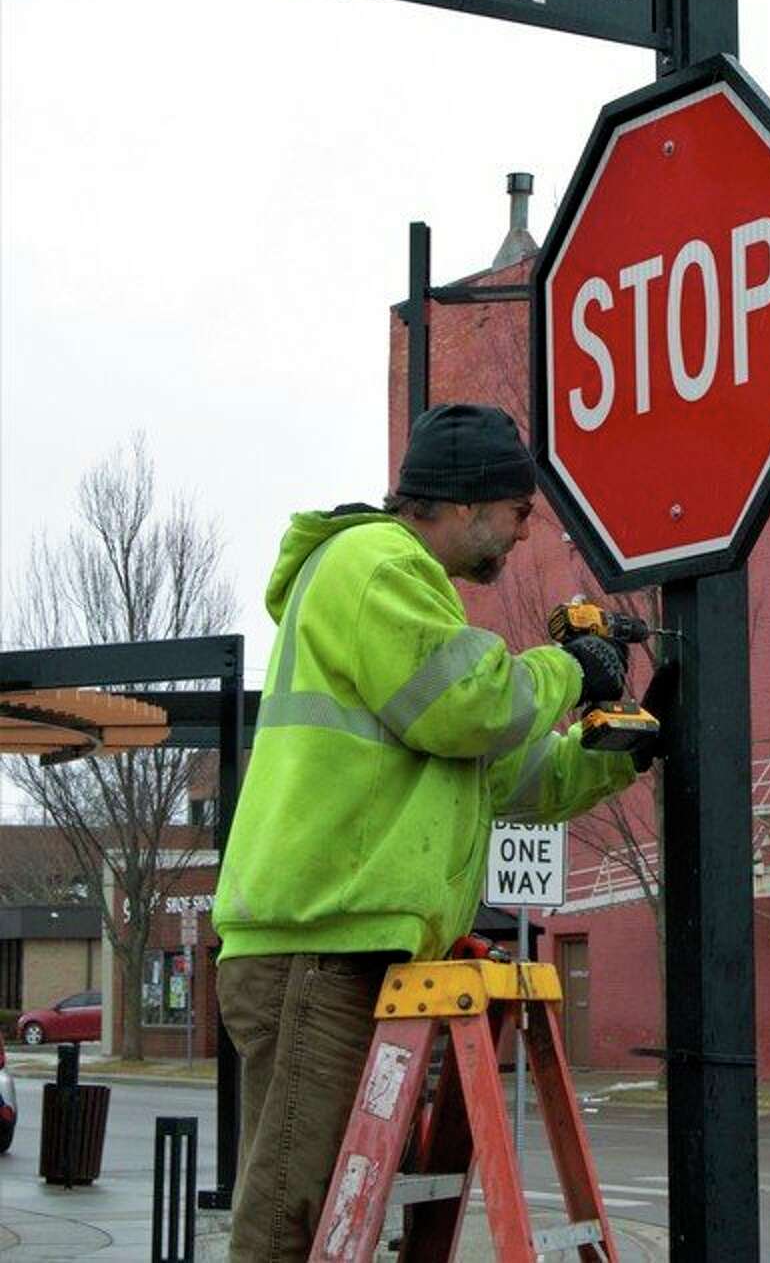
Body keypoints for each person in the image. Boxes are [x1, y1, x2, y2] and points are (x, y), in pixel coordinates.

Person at [213, 403, 641, 1261]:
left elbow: (512, 777)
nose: (523, 534)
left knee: (332, 1208)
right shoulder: (373, 563)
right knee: (292, 1220)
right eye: (517, 512)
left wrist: (618, 750)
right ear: (462, 500)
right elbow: (470, 705)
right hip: (317, 948)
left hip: (352, 946)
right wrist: (570, 669)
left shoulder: (415, 610)